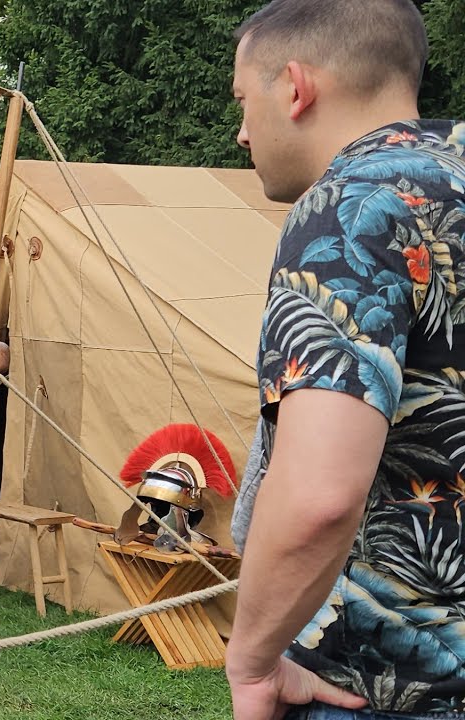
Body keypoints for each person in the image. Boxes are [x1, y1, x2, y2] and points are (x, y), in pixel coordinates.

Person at [225, 1, 465, 718]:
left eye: (243, 101)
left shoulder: (353, 207)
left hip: (389, 691)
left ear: (296, 88)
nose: (242, 132)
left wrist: (252, 662)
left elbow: (319, 497)